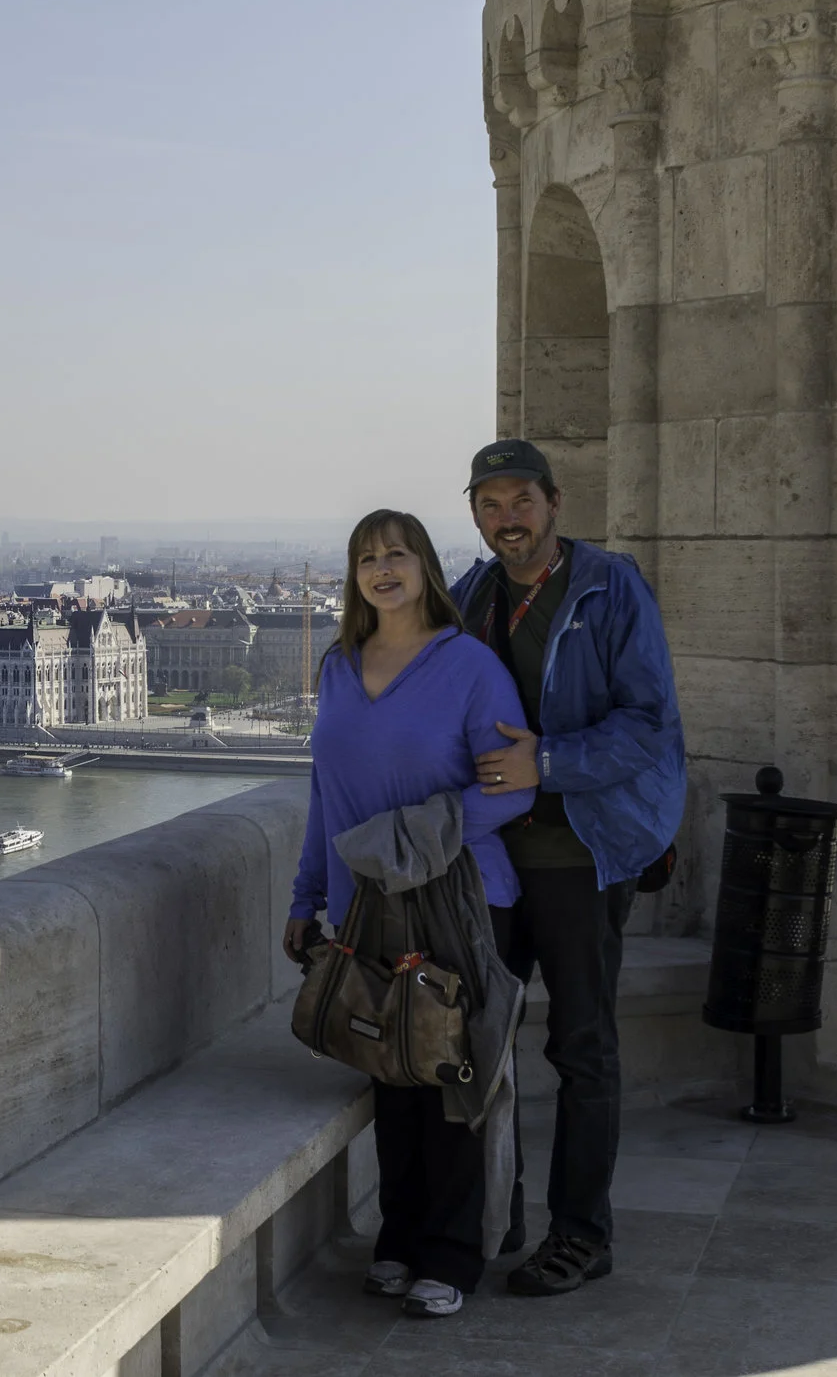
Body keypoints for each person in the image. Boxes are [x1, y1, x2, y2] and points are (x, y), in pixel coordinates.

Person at [284, 509, 535, 1320]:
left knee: (452, 1077)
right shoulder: (338, 667)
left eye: (397, 554)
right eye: (366, 557)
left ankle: (451, 1254)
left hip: (457, 897)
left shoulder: (470, 668)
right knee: (392, 1072)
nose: (382, 568)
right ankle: (399, 1238)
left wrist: (415, 838)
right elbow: (326, 796)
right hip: (366, 907)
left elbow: (514, 787)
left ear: (426, 566)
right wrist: (305, 897)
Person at [453, 438, 685, 1297]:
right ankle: (496, 1217)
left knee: (582, 1046)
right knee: (486, 1043)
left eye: (520, 501)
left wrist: (546, 762)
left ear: (554, 503)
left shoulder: (608, 586)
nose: (506, 519)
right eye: (489, 504)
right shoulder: (473, 594)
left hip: (582, 853)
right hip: (495, 860)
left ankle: (583, 1234)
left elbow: (649, 723)